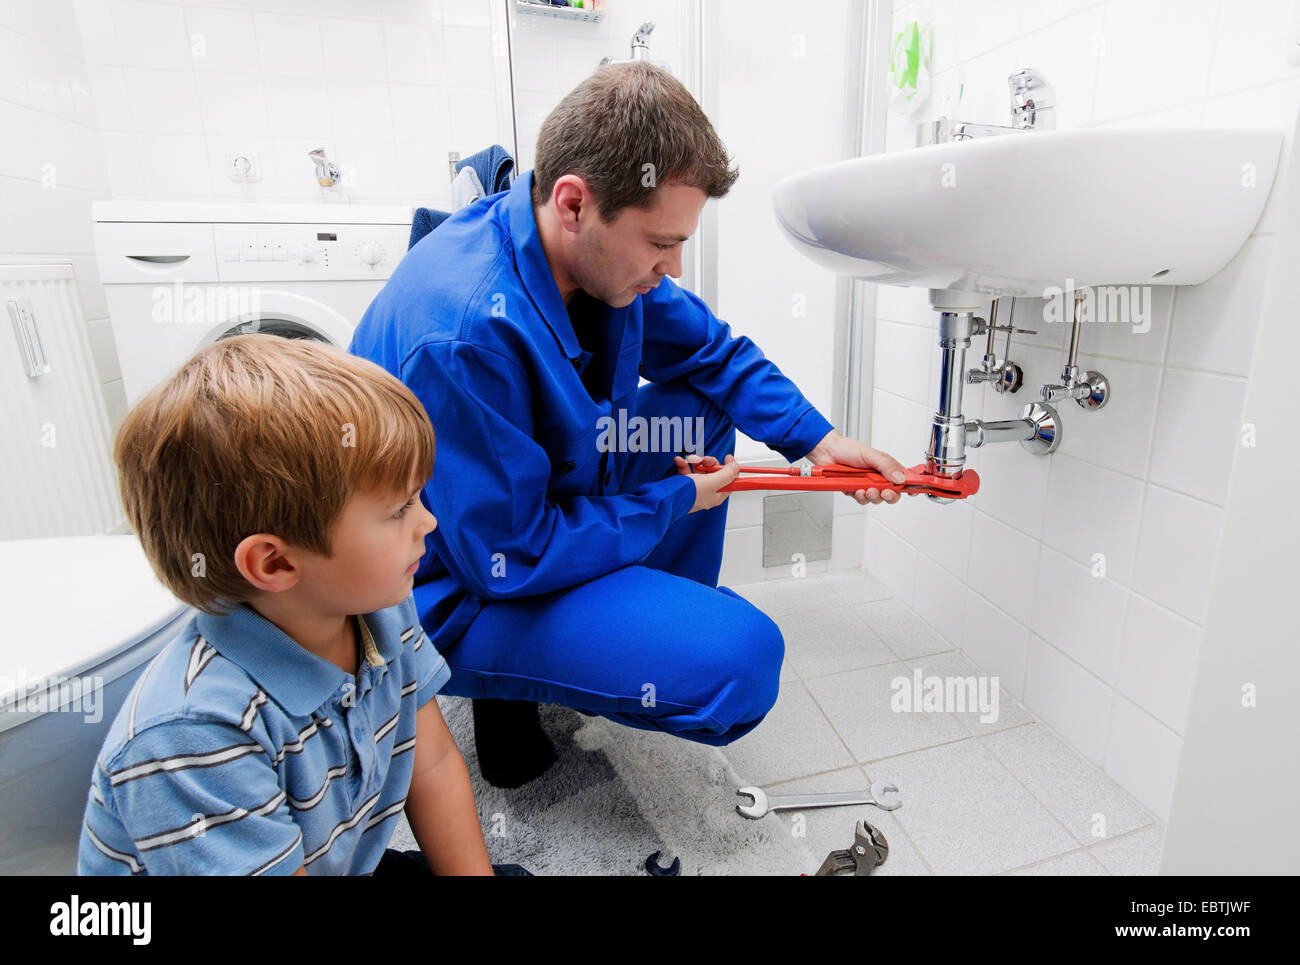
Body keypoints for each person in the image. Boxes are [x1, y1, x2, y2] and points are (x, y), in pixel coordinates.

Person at [349, 62, 906, 789]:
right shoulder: (464, 331)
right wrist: (672, 502)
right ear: (575, 204)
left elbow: (715, 353)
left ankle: (614, 633)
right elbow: (509, 555)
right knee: (738, 660)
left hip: (531, 508)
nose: (673, 266)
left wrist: (821, 441)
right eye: (659, 242)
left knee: (701, 412)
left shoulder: (599, 260)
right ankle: (528, 672)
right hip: (456, 578)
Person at [77, 335, 495, 876]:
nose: (428, 523)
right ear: (274, 564)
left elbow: (432, 764)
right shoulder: (195, 736)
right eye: (398, 510)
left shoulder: (381, 607)